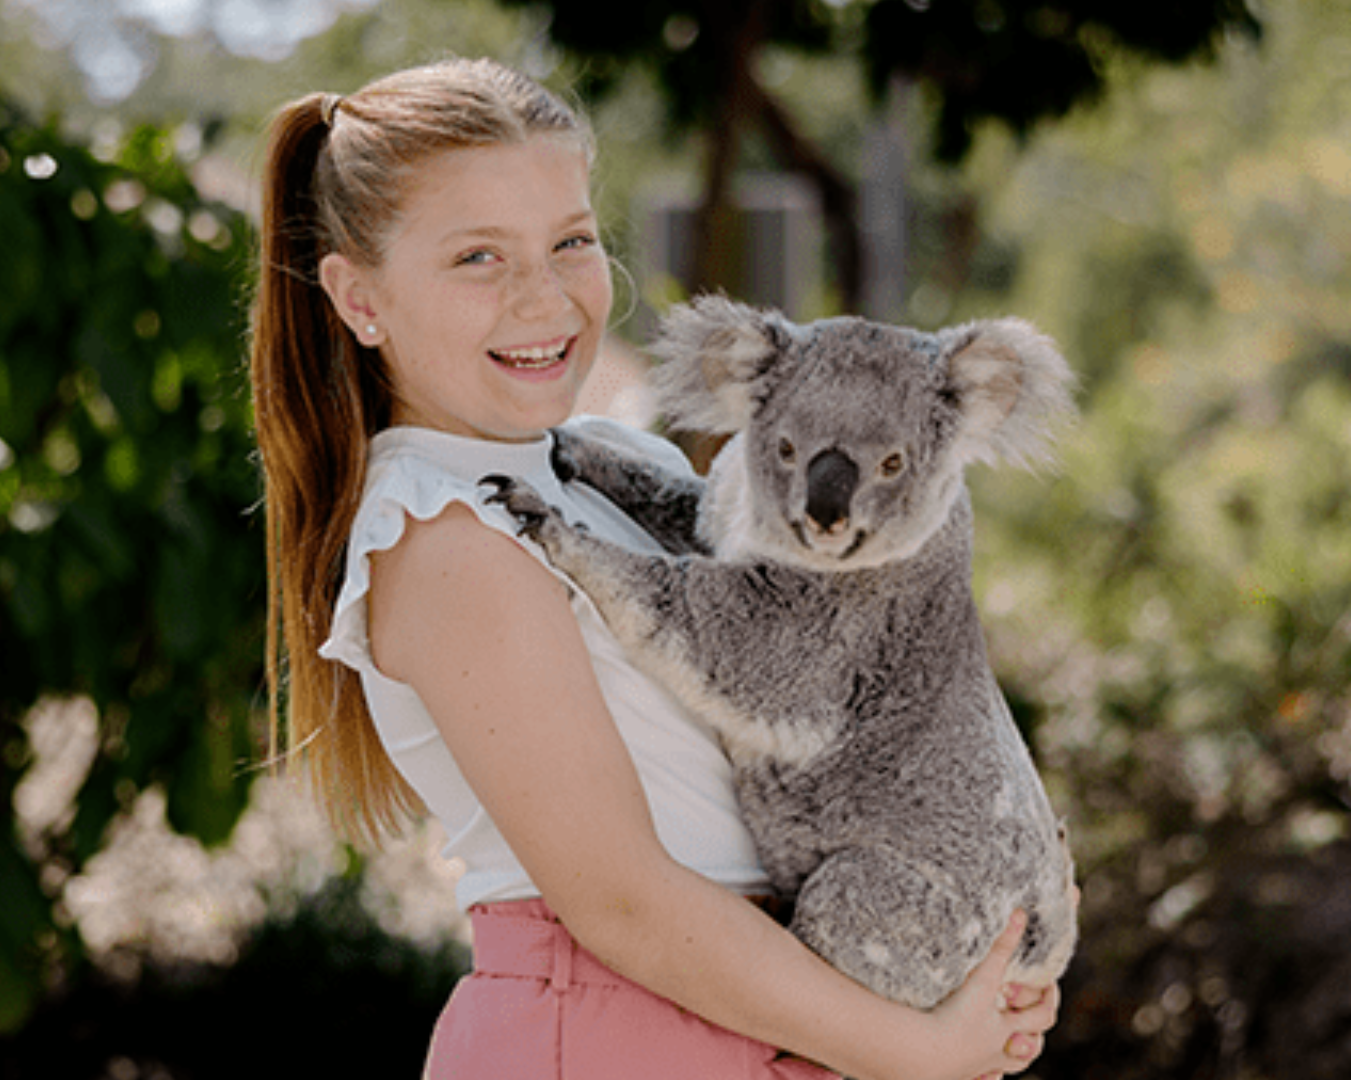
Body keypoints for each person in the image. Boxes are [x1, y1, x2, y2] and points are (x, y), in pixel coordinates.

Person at [247, 56, 1063, 1080]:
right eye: (477, 259)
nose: (542, 297)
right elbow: (623, 900)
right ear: (359, 298)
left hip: (763, 1000)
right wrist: (922, 1049)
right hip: (618, 1025)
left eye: (571, 243)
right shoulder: (445, 536)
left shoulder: (608, 465)